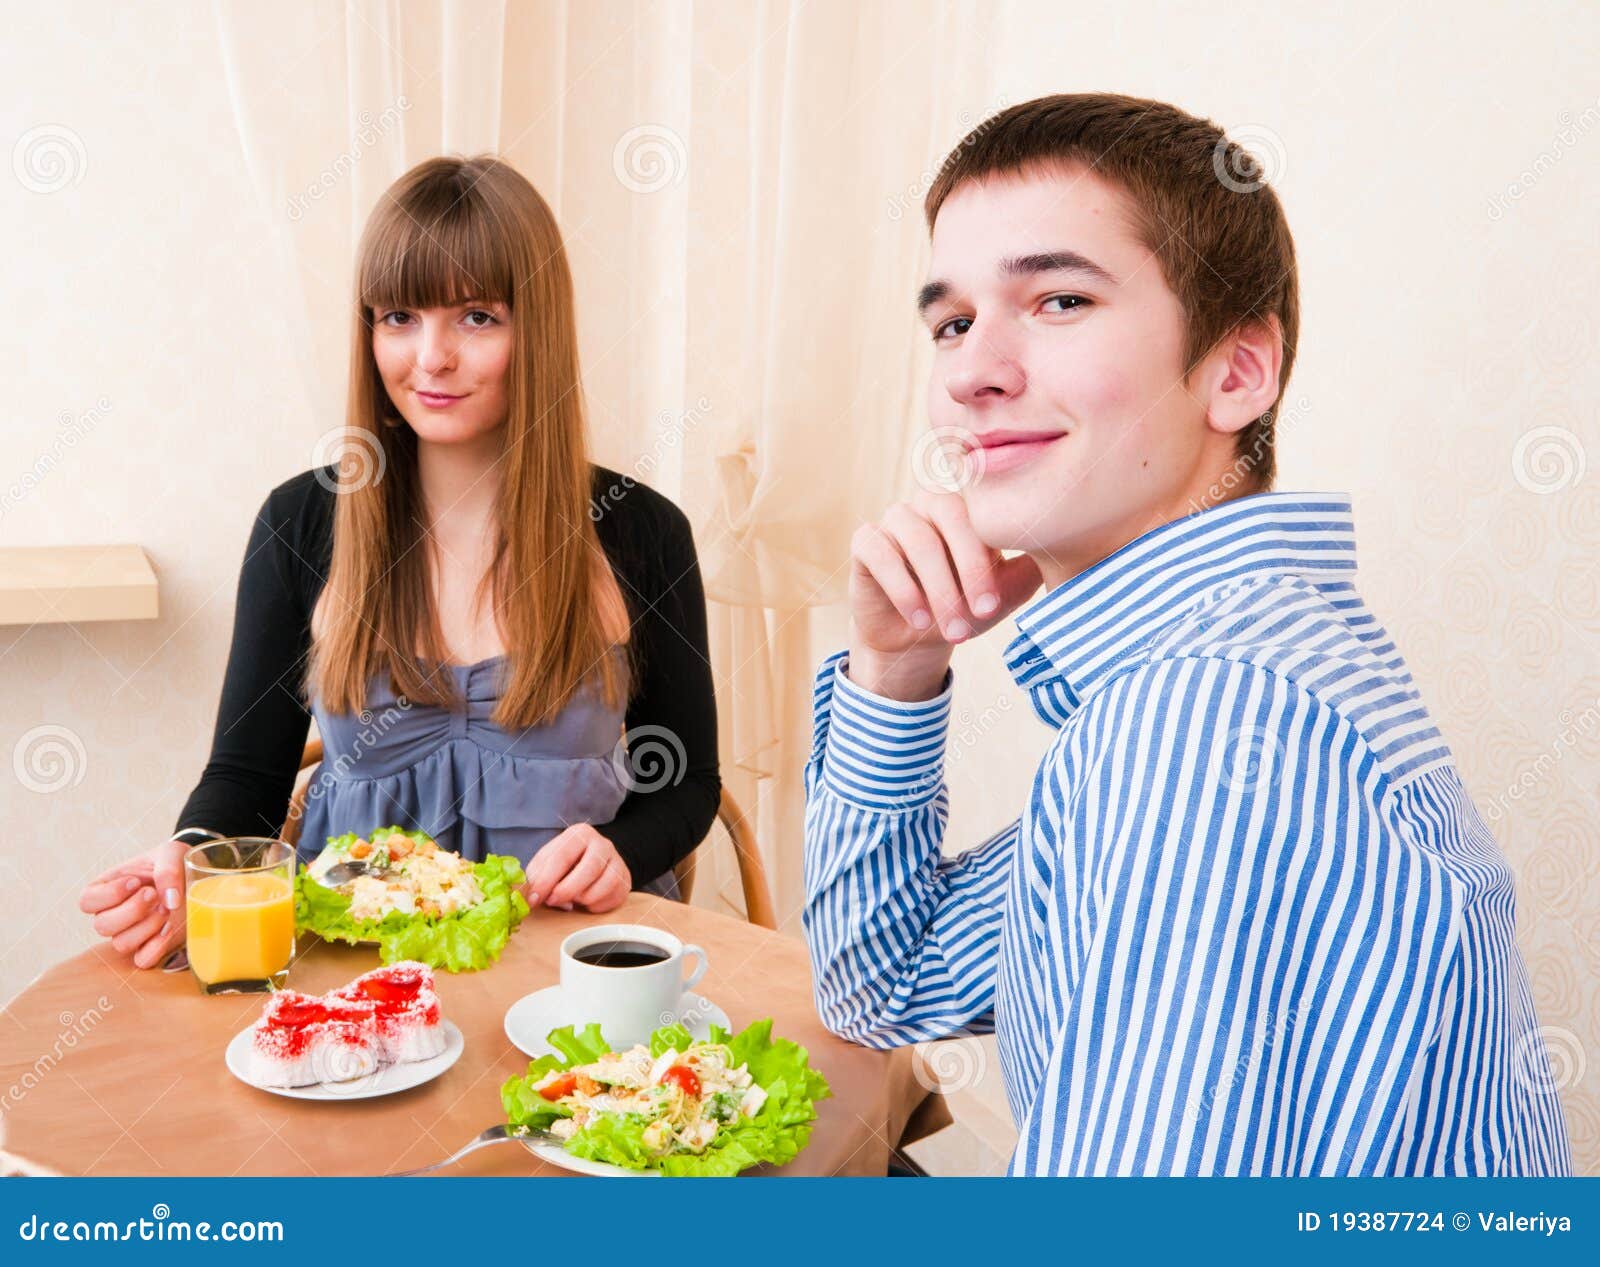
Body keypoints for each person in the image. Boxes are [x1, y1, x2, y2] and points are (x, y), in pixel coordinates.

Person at [802, 93, 1572, 1175]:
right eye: (951, 322)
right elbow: (881, 985)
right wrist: (894, 673)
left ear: (1238, 372)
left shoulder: (1204, 720)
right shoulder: (1214, 674)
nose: (970, 371)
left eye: (1059, 299)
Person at [79, 155, 719, 970]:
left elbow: (688, 778)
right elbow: (245, 775)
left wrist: (624, 848)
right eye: (399, 317)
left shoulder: (640, 531)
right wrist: (194, 861)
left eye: (477, 317)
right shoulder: (301, 523)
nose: (431, 357)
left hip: (574, 968)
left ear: (540, 327)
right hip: (351, 969)